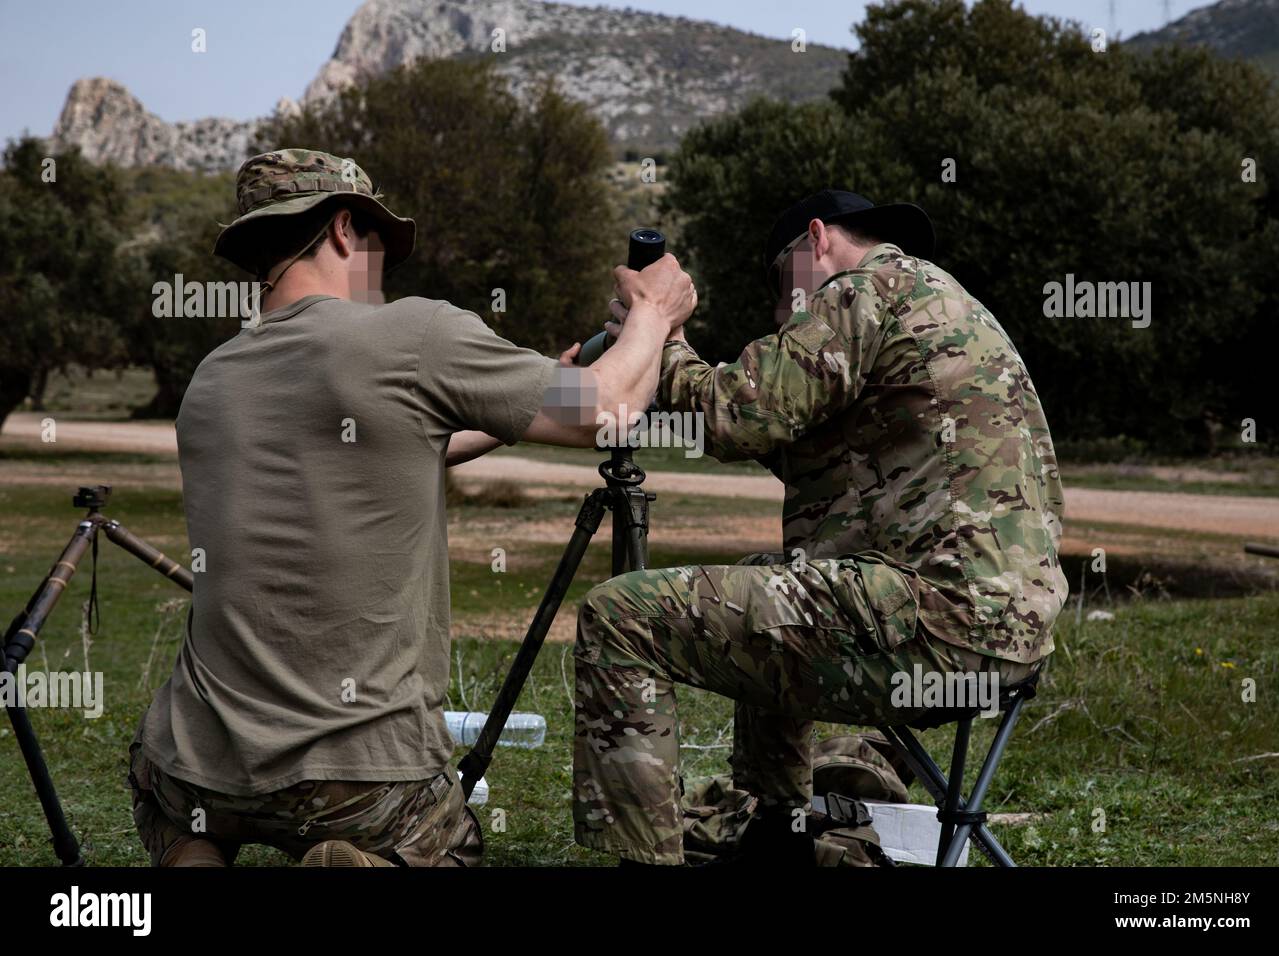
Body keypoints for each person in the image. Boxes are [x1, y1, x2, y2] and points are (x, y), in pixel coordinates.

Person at [127, 148, 696, 866]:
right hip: (363, 778)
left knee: (173, 800)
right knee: (447, 847)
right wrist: (653, 313)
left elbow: (396, 443)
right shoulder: (412, 332)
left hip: (196, 762)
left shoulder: (212, 378)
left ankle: (196, 855)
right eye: (376, 247)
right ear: (341, 229)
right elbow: (609, 410)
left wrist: (520, 397)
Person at [572, 189, 1067, 866]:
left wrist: (660, 336)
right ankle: (779, 835)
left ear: (816, 241)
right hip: (1005, 642)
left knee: (617, 614)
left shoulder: (862, 289)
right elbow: (805, 449)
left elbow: (736, 416)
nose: (783, 317)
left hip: (933, 629)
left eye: (783, 291)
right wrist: (624, 370)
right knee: (764, 579)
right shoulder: (940, 302)